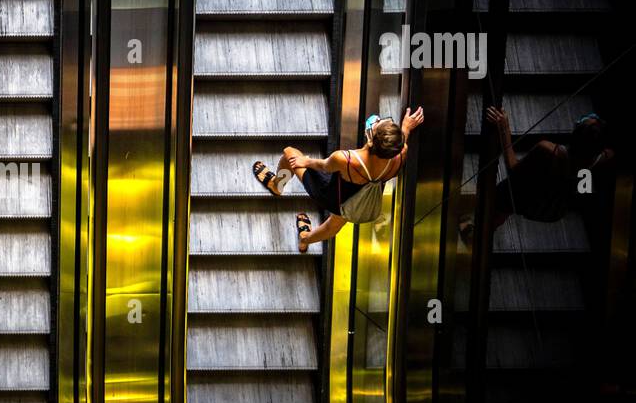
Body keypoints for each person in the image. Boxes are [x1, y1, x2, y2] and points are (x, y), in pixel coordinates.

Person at [251, 107, 425, 252]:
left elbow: (324, 166)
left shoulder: (346, 159)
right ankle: (304, 240)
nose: (379, 121)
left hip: (331, 193)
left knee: (290, 153)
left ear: (370, 139)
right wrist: (405, 129)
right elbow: (399, 146)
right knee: (333, 226)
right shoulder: (400, 157)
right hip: (354, 201)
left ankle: (276, 186)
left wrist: (306, 161)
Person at [459, 107, 613, 242]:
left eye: (584, 121)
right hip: (552, 208)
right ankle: (490, 225)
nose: (586, 118)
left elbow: (513, 169)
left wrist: (504, 129)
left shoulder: (548, 151)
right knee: (509, 203)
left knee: (504, 195)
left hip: (531, 199)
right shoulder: (602, 158)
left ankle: (474, 231)